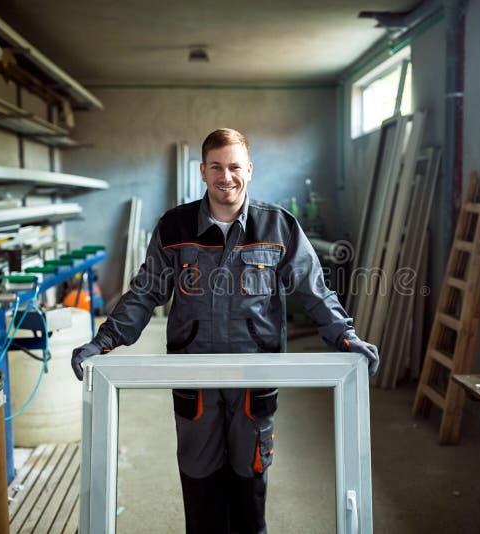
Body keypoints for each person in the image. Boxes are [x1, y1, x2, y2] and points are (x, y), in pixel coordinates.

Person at [71, 128, 379, 534]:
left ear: (249, 170)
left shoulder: (278, 227)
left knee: (250, 488)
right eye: (216, 167)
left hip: (255, 380)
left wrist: (344, 336)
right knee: (200, 488)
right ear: (202, 171)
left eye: (234, 166)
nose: (226, 176)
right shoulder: (176, 227)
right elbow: (145, 294)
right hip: (193, 381)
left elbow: (314, 289)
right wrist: (103, 340)